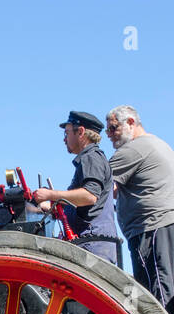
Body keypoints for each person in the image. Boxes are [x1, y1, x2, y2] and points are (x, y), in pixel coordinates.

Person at [105, 105, 174, 314]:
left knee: (156, 301)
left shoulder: (132, 150)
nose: (109, 135)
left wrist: (54, 199)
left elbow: (95, 189)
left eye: (113, 128)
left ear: (130, 123)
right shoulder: (160, 144)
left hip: (151, 229)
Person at [31, 110, 119, 264]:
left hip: (92, 246)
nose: (64, 139)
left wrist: (50, 195)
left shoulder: (91, 157)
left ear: (81, 132)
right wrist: (50, 205)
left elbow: (89, 196)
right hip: (93, 244)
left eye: (67, 133)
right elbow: (80, 202)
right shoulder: (91, 158)